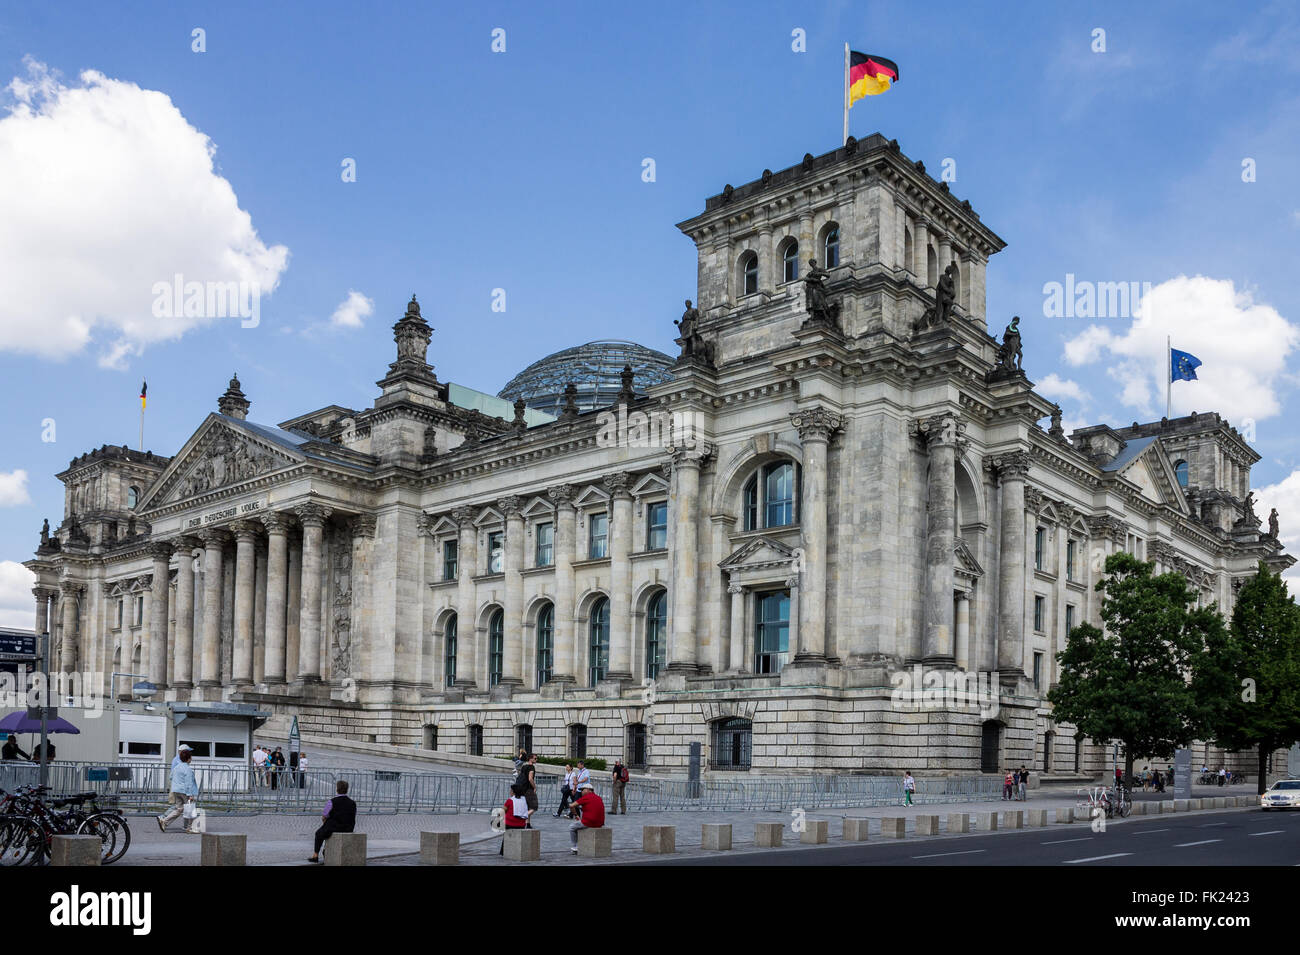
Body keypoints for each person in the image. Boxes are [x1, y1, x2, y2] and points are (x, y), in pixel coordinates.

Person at [308, 780, 357, 863]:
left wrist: (325, 823)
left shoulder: (332, 802)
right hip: (348, 828)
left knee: (319, 833)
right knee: (325, 830)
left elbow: (324, 816)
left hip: (334, 827)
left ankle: (315, 855)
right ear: (347, 790)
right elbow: (353, 815)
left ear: (337, 789)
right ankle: (326, 850)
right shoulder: (352, 803)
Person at [158, 744, 200, 833]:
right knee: (190, 809)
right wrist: (190, 795)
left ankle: (164, 821)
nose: (191, 758)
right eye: (191, 757)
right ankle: (190, 828)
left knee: (179, 809)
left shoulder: (177, 767)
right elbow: (188, 783)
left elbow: (171, 777)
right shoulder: (188, 769)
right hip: (185, 792)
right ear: (189, 759)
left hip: (176, 790)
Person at [567, 784, 605, 854]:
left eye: (582, 790)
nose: (581, 792)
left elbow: (571, 806)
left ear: (588, 790)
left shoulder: (586, 797)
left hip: (589, 822)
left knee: (572, 827)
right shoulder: (598, 797)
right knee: (579, 825)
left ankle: (575, 847)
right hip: (600, 823)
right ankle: (581, 844)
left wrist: (576, 815)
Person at [501, 781, 530, 855]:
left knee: (496, 823)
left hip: (509, 824)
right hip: (521, 825)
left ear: (513, 792)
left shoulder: (510, 800)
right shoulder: (524, 800)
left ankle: (503, 851)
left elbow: (502, 811)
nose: (510, 792)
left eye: (511, 790)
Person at [517, 752, 538, 821]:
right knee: (534, 807)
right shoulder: (531, 767)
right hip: (529, 789)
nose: (536, 760)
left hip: (522, 788)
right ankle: (522, 817)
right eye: (535, 758)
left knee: (527, 806)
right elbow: (530, 779)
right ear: (530, 759)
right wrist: (534, 787)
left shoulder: (524, 766)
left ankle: (527, 823)